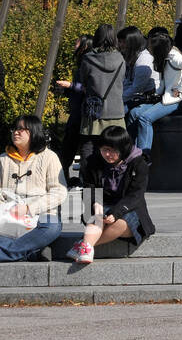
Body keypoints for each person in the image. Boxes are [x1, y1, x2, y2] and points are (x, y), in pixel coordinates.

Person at [65, 124, 155, 264]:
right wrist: (95, 202)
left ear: (123, 149)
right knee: (95, 216)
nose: (108, 154)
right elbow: (88, 188)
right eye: (104, 150)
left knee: (121, 223)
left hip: (129, 207)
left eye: (113, 151)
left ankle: (84, 245)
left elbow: (136, 194)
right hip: (103, 205)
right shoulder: (92, 162)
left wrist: (117, 212)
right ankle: (87, 248)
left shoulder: (138, 163)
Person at [57, 25, 127, 175]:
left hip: (94, 112)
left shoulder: (88, 59)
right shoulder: (121, 58)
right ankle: (112, 187)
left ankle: (90, 192)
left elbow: (84, 82)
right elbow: (122, 80)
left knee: (88, 150)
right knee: (115, 150)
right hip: (116, 111)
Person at [0, 116, 67, 262]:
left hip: (43, 213)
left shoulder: (49, 157)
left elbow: (59, 191)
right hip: (9, 212)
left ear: (34, 132)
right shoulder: (3, 159)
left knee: (52, 228)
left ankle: (11, 252)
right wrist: (5, 207)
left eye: (21, 129)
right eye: (14, 129)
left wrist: (30, 208)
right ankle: (32, 253)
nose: (16, 133)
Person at [124, 31, 182, 158]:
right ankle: (130, 151)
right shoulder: (163, 58)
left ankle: (143, 156)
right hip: (166, 97)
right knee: (134, 113)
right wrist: (155, 93)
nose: (148, 48)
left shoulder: (173, 56)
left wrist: (181, 87)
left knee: (145, 118)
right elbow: (164, 82)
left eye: (151, 46)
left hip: (178, 99)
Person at [56, 35, 96, 187]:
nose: (75, 45)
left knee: (74, 146)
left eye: (77, 42)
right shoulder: (82, 62)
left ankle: (68, 180)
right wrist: (67, 90)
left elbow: (89, 88)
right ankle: (68, 179)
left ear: (86, 45)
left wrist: (70, 85)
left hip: (82, 112)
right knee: (71, 146)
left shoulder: (88, 61)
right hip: (77, 109)